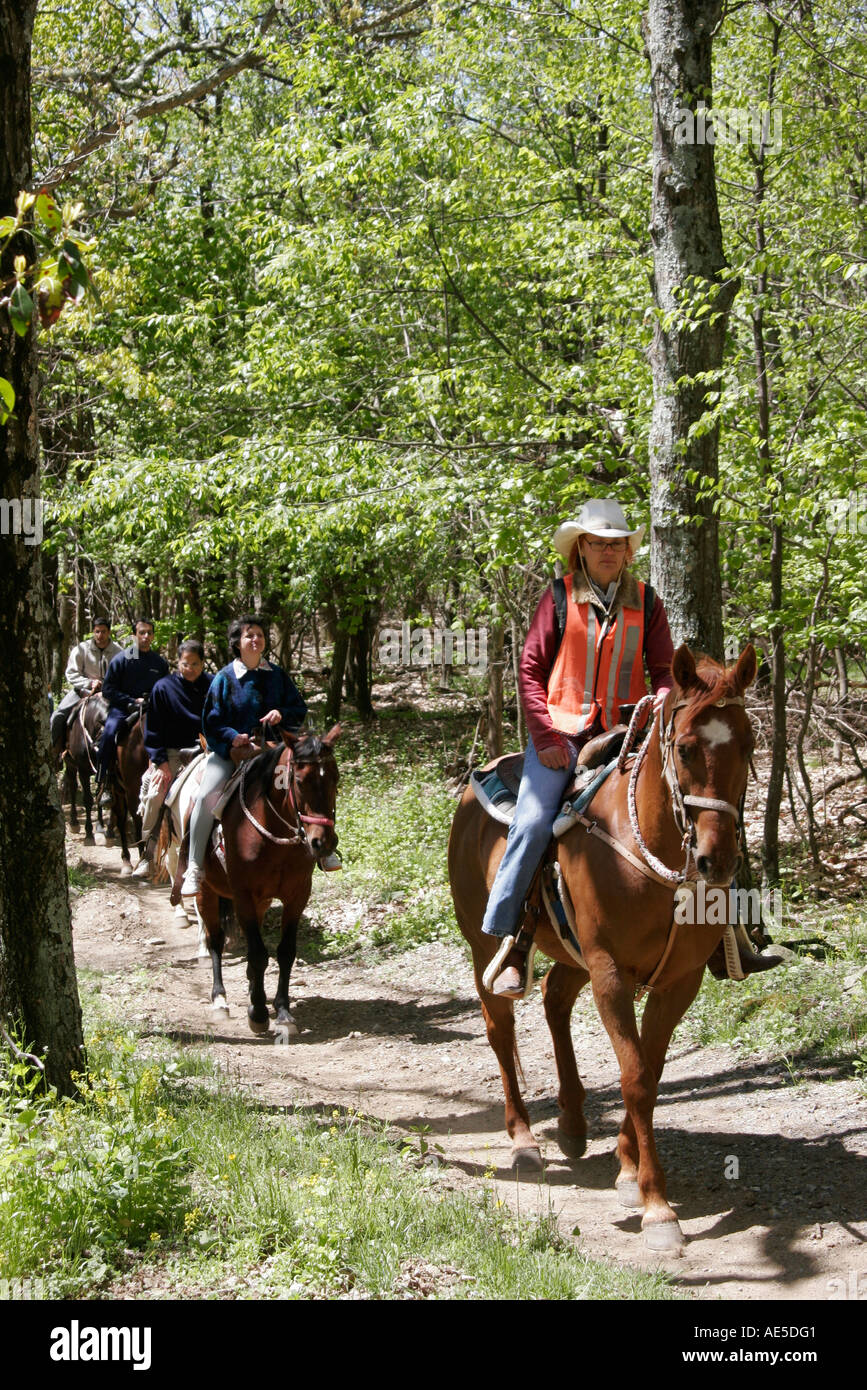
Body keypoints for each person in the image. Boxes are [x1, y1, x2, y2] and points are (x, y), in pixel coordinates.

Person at [482, 498, 674, 998]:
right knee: (532, 822)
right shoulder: (559, 598)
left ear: (628, 552)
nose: (608, 551)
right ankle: (514, 938)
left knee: (694, 804)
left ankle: (729, 931)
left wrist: (668, 704)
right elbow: (529, 670)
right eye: (598, 543)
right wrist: (544, 737)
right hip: (561, 736)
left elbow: (666, 673)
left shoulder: (649, 603)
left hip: (628, 732)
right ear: (582, 549)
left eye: (617, 544)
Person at [180, 615, 310, 896]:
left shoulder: (277, 675)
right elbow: (211, 721)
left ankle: (321, 850)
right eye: (249, 635)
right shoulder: (224, 679)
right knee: (206, 796)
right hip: (232, 754)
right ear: (237, 643)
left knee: (308, 785)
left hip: (272, 753)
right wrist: (231, 736)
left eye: (260, 634)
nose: (256, 639)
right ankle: (194, 867)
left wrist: (281, 714)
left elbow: (298, 708)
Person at [131, 639, 213, 879]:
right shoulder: (163, 687)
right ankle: (149, 850)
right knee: (156, 794)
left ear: (202, 663)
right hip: (172, 752)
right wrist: (161, 763)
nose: (191, 669)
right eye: (186, 664)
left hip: (208, 750)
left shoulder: (213, 684)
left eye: (196, 664)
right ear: (178, 663)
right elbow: (153, 729)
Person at [95, 618, 169, 789]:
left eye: (149, 633)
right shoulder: (121, 659)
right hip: (124, 709)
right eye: (142, 632)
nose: (146, 636)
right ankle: (104, 779)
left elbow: (167, 689)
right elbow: (108, 689)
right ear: (134, 635)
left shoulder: (159, 662)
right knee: (109, 733)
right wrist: (130, 701)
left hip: (152, 709)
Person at [50, 618, 122, 757]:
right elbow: (71, 673)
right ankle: (55, 751)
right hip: (82, 691)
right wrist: (89, 683)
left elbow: (124, 674)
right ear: (93, 632)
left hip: (109, 693)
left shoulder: (118, 652)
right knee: (58, 716)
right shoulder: (82, 649)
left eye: (103, 632)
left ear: (109, 632)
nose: (100, 635)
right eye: (97, 631)